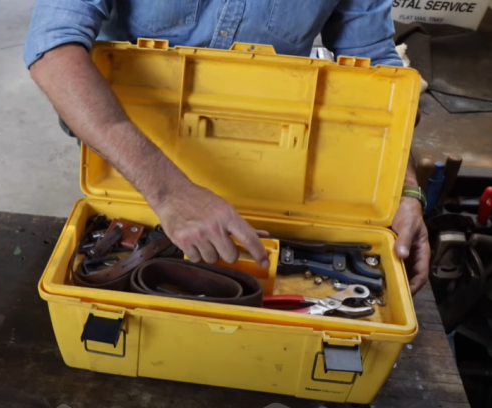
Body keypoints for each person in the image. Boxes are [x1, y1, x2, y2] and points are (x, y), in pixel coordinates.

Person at [24, 0, 430, 295]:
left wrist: (405, 189)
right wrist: (170, 191)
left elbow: (378, 72)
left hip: (265, 164)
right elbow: (53, 48)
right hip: (134, 161)